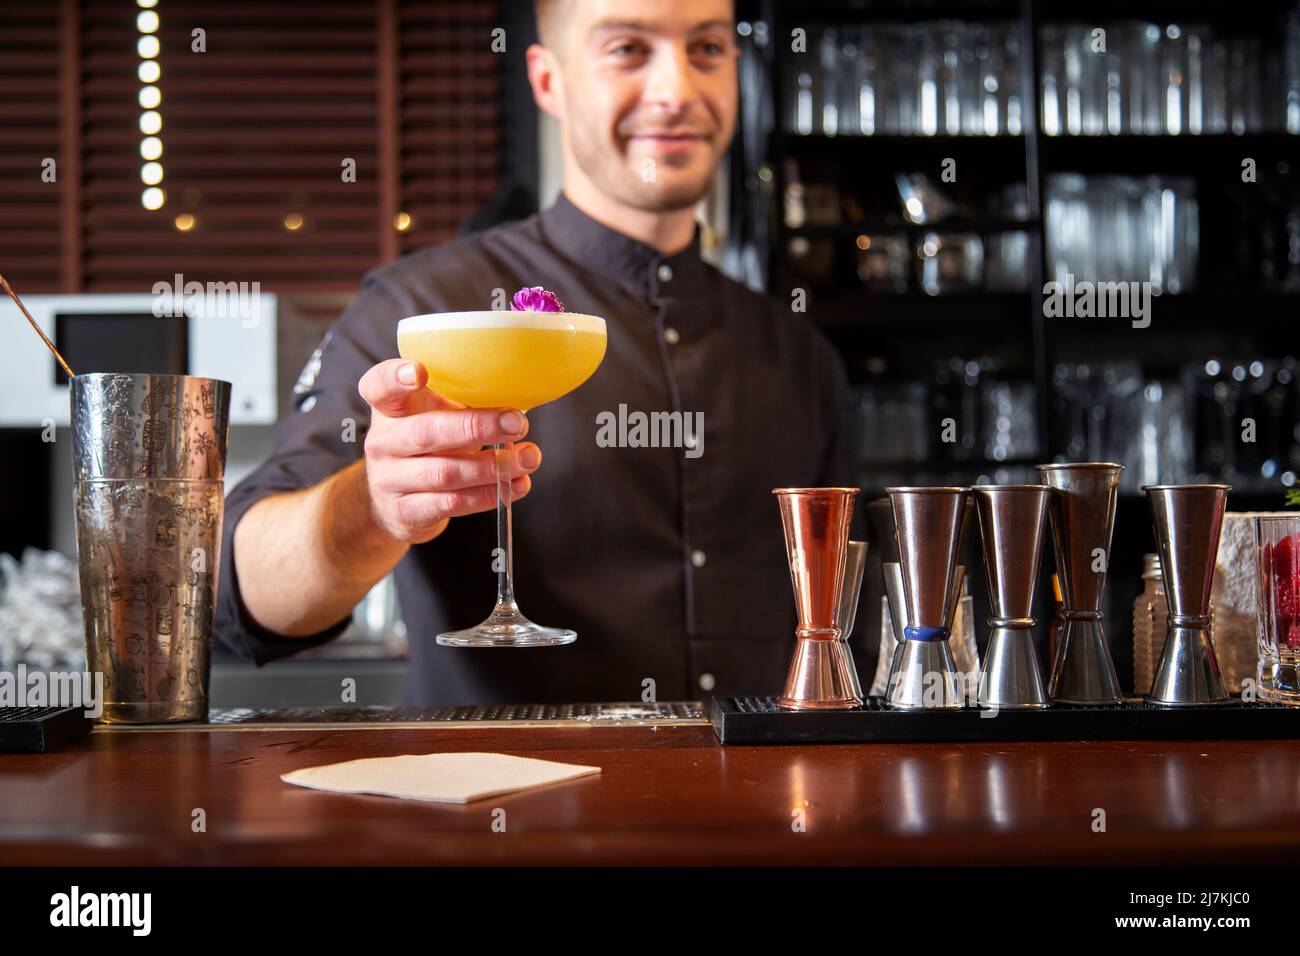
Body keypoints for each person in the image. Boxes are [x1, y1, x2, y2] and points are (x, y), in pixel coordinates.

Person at [216, 0, 857, 705]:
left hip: (760, 810)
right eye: (628, 49)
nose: (677, 91)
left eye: (706, 48)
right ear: (548, 80)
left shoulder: (799, 352)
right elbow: (240, 595)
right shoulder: (420, 310)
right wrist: (372, 505)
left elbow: (856, 619)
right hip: (510, 809)